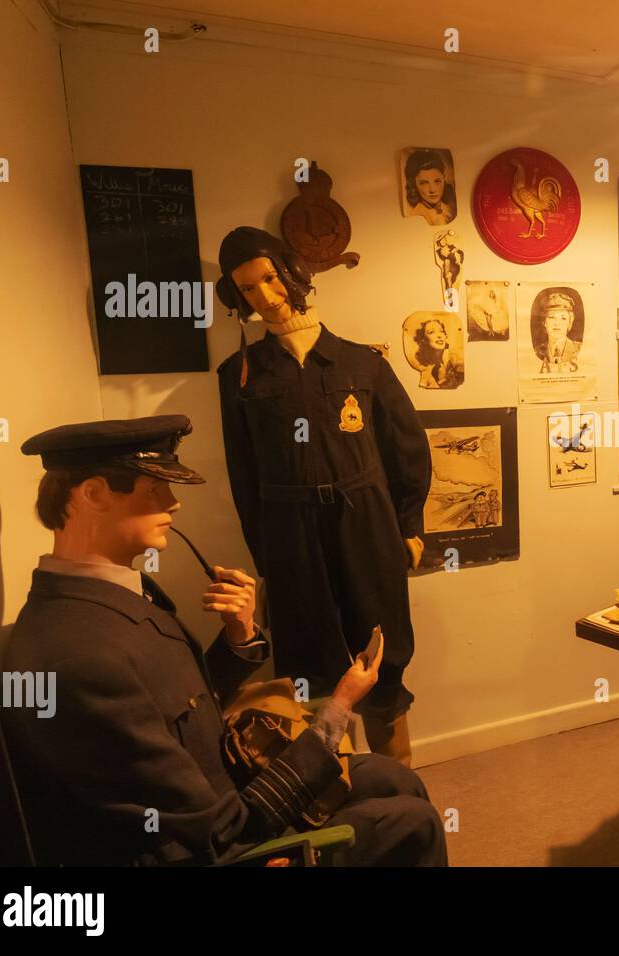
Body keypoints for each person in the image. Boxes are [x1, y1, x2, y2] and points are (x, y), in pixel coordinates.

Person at [2, 415, 446, 866]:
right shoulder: (77, 654)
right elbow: (226, 829)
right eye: (154, 488)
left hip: (227, 784)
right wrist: (336, 711)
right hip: (222, 841)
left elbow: (178, 707)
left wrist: (239, 636)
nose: (173, 503)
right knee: (416, 822)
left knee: (394, 779)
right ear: (94, 494)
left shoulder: (106, 595)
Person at [215, 227, 431, 763]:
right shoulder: (236, 377)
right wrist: (266, 553)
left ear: (289, 272)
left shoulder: (363, 364)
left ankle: (396, 774)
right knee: (307, 657)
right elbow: (242, 473)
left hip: (367, 524)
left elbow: (408, 448)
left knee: (382, 644)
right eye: (247, 289)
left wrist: (409, 525)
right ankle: (330, 776)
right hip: (290, 532)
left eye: (268, 279)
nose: (264, 297)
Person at [532, 288, 582, 374]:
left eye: (563, 318)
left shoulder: (579, 349)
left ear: (569, 323)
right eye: (551, 317)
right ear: (544, 322)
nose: (557, 323)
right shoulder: (537, 352)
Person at [403, 149, 456, 224]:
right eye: (424, 183)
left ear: (443, 178)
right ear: (414, 184)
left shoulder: (450, 212)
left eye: (437, 181)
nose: (432, 190)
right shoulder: (416, 217)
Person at [413, 316, 464, 389]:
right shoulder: (431, 369)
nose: (439, 335)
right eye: (431, 332)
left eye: (441, 331)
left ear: (445, 336)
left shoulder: (456, 357)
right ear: (423, 340)